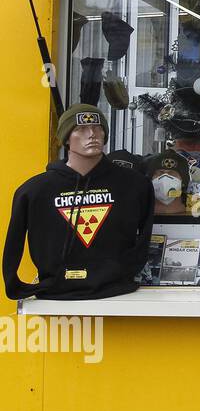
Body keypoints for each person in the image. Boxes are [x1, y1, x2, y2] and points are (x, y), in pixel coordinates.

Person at [3, 104, 154, 300]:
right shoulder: (34, 191)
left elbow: (144, 237)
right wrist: (15, 285)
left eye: (98, 128)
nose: (92, 134)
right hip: (56, 290)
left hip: (117, 291)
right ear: (66, 138)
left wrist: (126, 269)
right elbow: (13, 244)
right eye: (80, 129)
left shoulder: (135, 185)